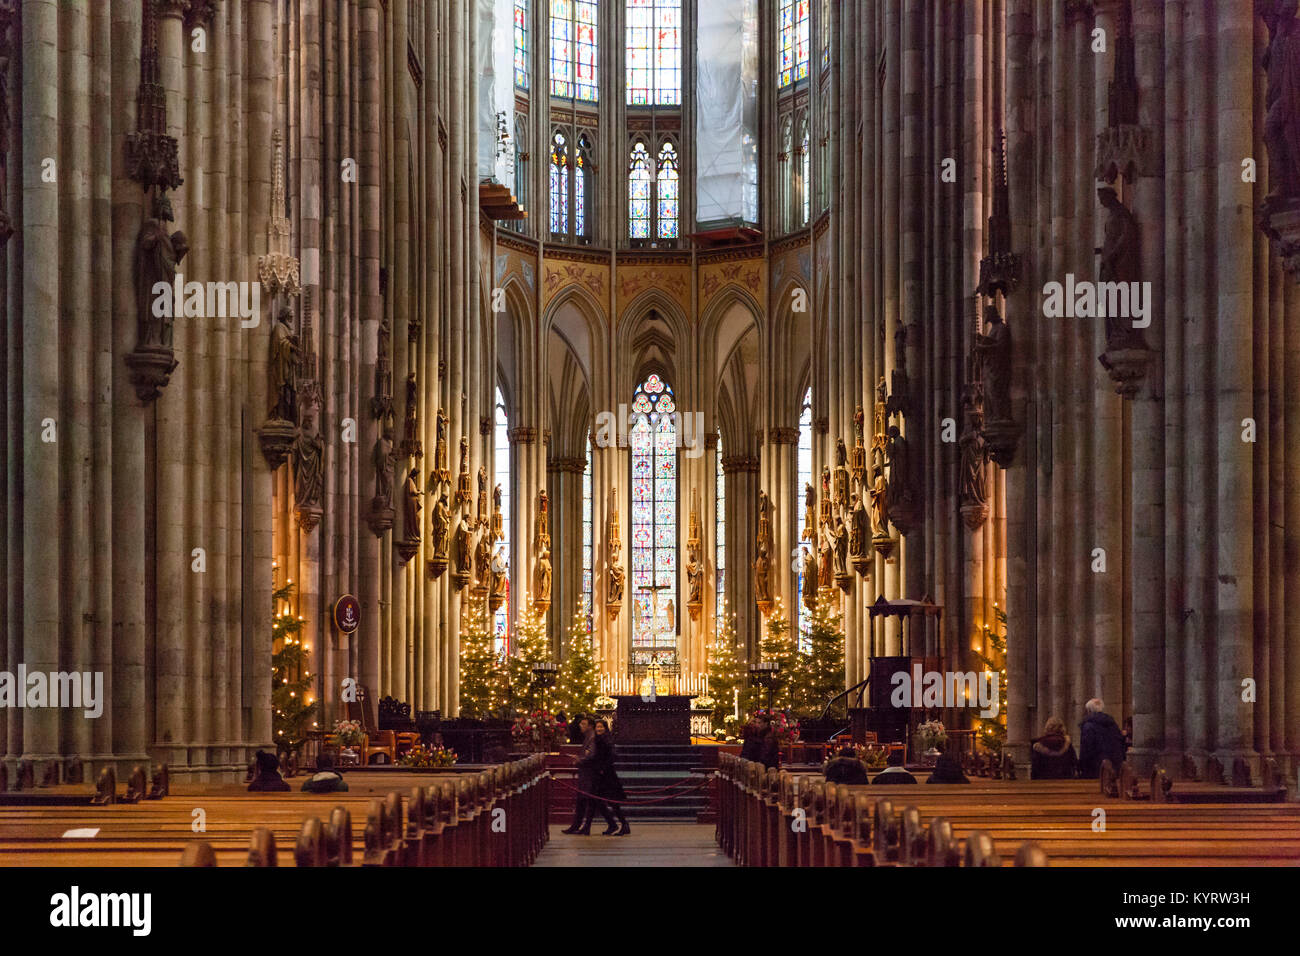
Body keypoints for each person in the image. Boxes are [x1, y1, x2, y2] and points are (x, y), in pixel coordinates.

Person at [561, 718, 615, 835]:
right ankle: (583, 826)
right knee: (590, 801)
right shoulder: (590, 736)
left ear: (590, 726)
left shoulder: (592, 737)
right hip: (589, 772)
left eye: (583, 724)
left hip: (590, 773)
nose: (580, 725)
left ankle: (582, 826)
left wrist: (579, 760)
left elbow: (591, 755)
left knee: (589, 800)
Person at [592, 719, 630, 835]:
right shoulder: (598, 739)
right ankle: (613, 824)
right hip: (602, 774)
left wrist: (603, 768)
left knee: (612, 802)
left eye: (601, 727)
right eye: (597, 727)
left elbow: (611, 756)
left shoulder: (606, 740)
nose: (599, 729)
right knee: (600, 800)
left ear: (605, 728)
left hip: (607, 775)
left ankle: (622, 824)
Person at [1078, 698, 1126, 778]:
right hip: (1113, 766)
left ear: (1089, 711)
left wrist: (1082, 767)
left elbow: (1086, 750)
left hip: (1094, 768)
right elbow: (1119, 744)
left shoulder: (1088, 727)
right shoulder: (1112, 724)